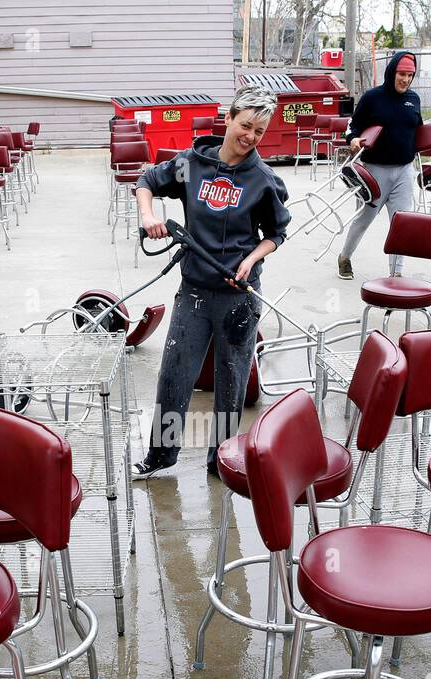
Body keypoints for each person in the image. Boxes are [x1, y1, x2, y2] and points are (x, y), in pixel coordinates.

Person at [130, 86, 292, 479]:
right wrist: (149, 215)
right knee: (175, 374)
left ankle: (219, 458)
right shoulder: (192, 164)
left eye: (259, 130)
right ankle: (160, 456)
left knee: (231, 382)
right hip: (195, 292)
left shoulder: (263, 179)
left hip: (239, 296)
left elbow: (277, 232)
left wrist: (252, 257)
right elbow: (146, 181)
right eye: (245, 125)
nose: (250, 136)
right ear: (229, 119)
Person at [336, 50, 431, 280]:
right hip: (374, 171)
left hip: (404, 171)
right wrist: (353, 140)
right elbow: (352, 126)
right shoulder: (372, 97)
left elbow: (418, 136)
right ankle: (345, 256)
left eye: (410, 75)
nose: (405, 79)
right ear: (392, 72)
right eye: (401, 74)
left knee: (402, 223)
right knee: (364, 219)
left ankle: (396, 273)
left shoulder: (414, 100)